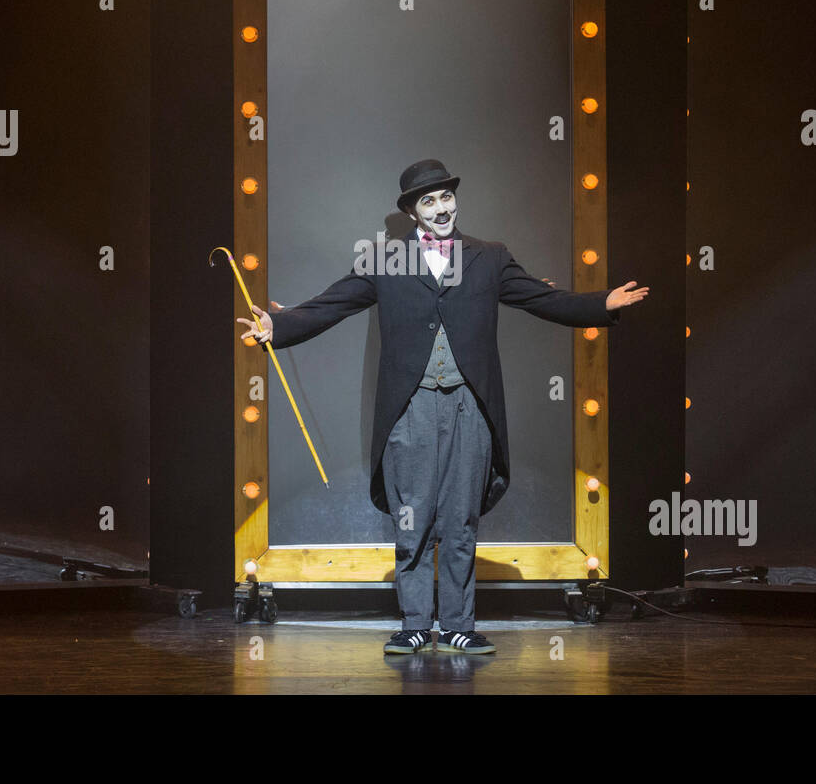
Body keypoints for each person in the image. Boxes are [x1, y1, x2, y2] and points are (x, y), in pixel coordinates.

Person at [236, 159, 649, 653]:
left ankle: (457, 623)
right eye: (428, 200)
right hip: (410, 409)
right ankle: (414, 622)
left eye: (446, 197)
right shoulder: (385, 259)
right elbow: (333, 303)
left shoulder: (489, 257)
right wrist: (278, 329)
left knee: (460, 521)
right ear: (412, 211)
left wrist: (601, 305)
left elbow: (544, 299)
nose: (441, 207)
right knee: (412, 519)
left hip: (468, 407)